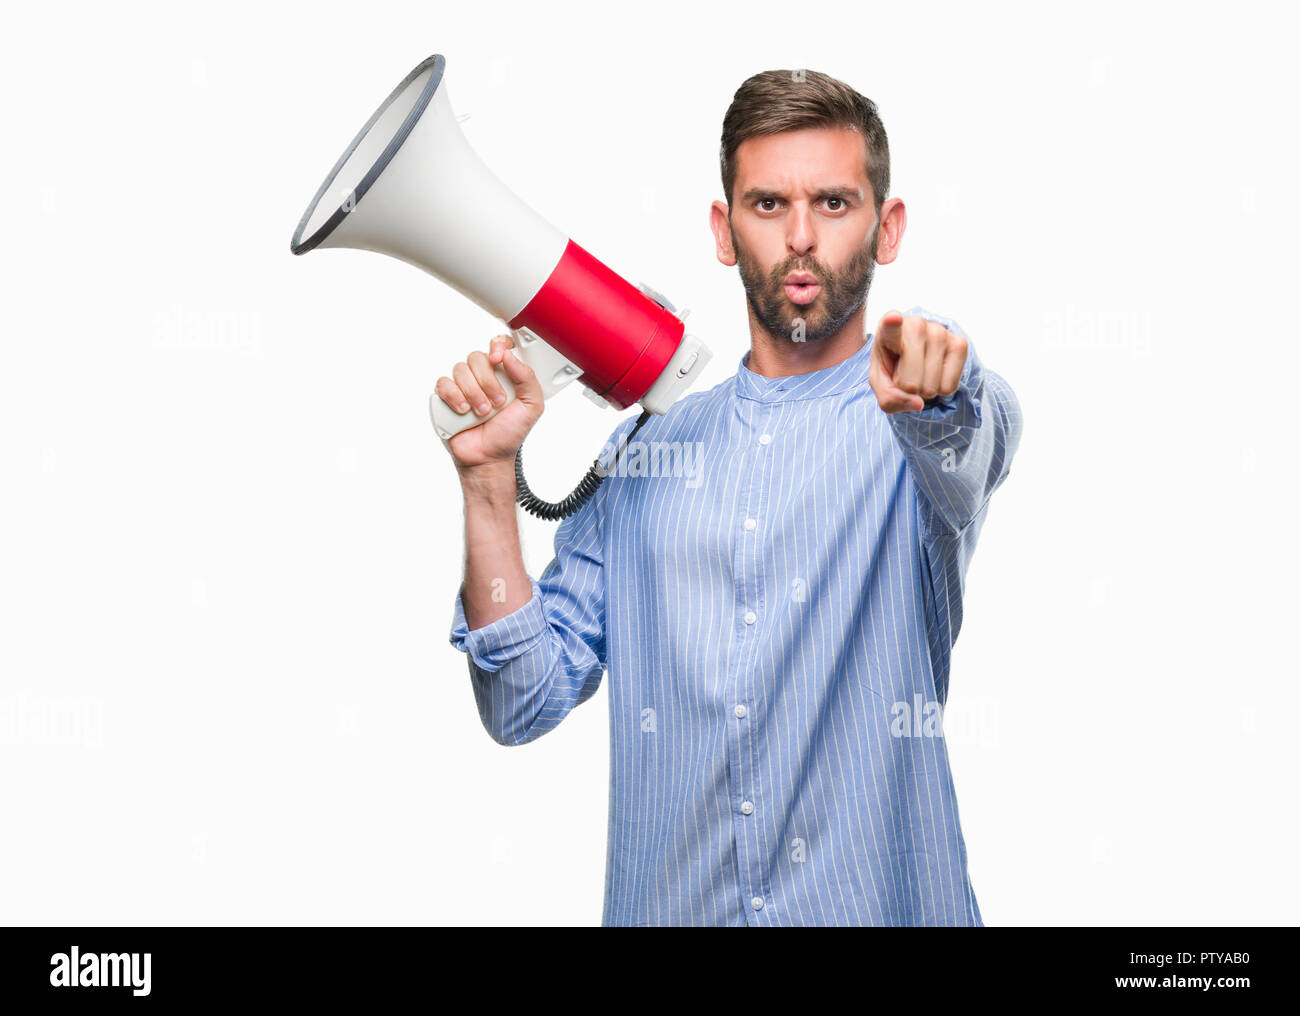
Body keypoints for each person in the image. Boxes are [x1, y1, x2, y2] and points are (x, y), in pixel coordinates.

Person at [437, 68, 1023, 926]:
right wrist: (490, 483)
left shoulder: (920, 421)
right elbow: (521, 700)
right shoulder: (648, 449)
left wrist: (943, 376)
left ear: (885, 228)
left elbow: (972, 426)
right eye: (766, 205)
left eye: (832, 203)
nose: (799, 238)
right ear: (724, 229)